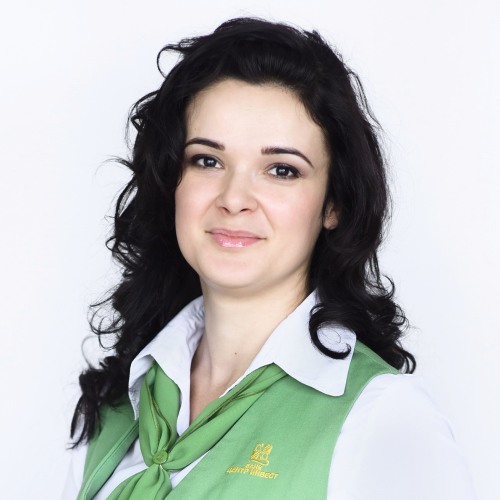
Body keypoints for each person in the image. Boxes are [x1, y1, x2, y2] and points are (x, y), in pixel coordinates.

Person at [63, 18, 475, 499]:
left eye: (281, 169)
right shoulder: (118, 403)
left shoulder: (385, 422)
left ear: (334, 204)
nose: (234, 198)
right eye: (207, 160)